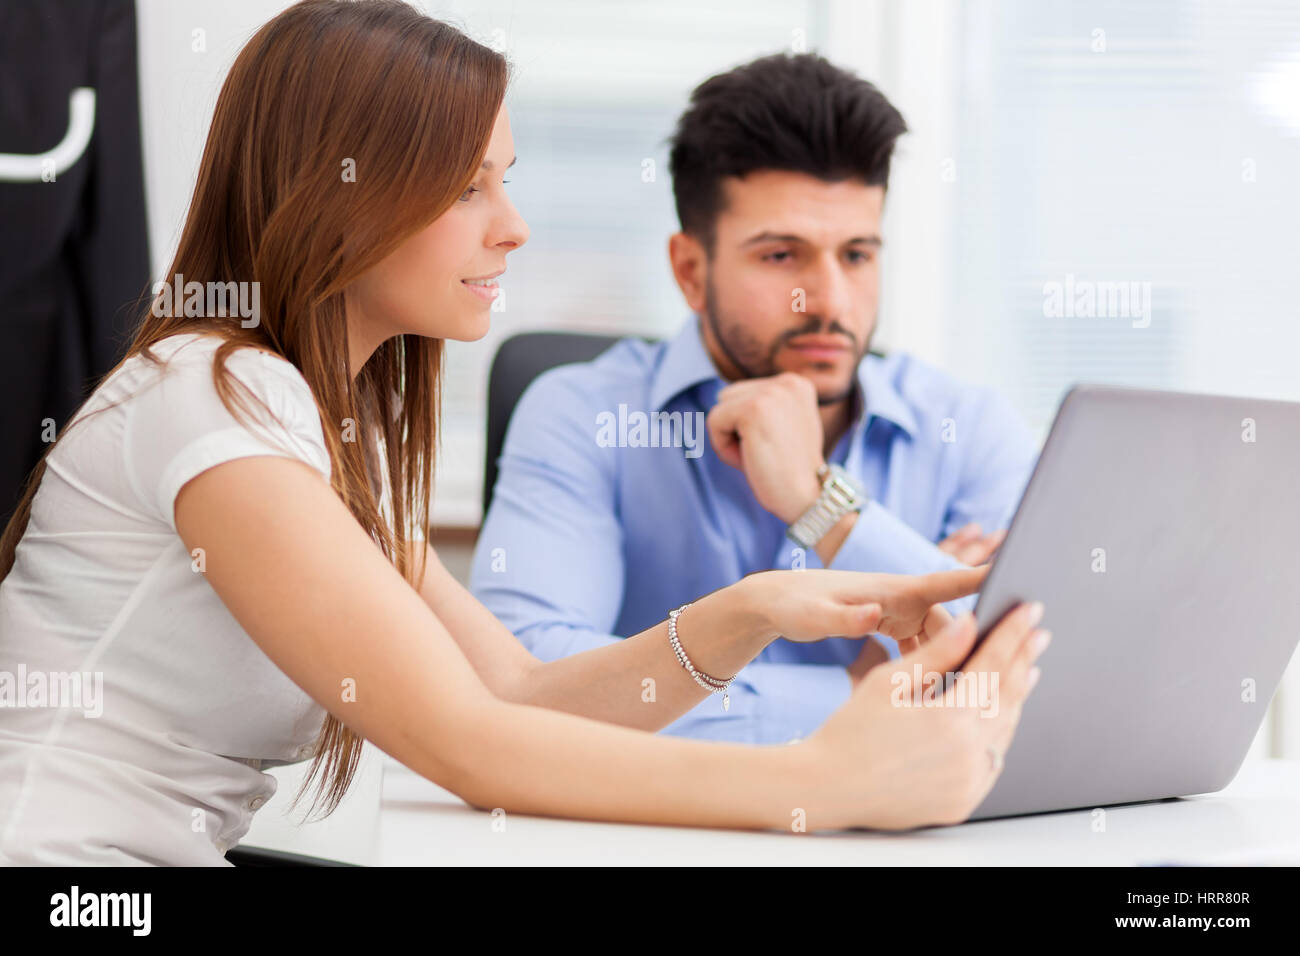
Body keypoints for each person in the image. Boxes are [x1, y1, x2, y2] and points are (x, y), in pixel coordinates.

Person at [0, 0, 1048, 866]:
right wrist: (823, 783)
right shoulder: (221, 399)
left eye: (507, 178)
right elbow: (471, 745)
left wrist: (756, 609)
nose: (514, 224)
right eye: (468, 186)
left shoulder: (319, 430)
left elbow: (515, 691)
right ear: (338, 200)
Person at [472, 52, 1039, 744]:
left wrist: (822, 507)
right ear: (689, 270)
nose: (829, 300)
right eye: (781, 256)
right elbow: (528, 690)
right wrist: (861, 692)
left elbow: (1026, 694)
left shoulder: (970, 430)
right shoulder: (580, 417)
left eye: (857, 255)